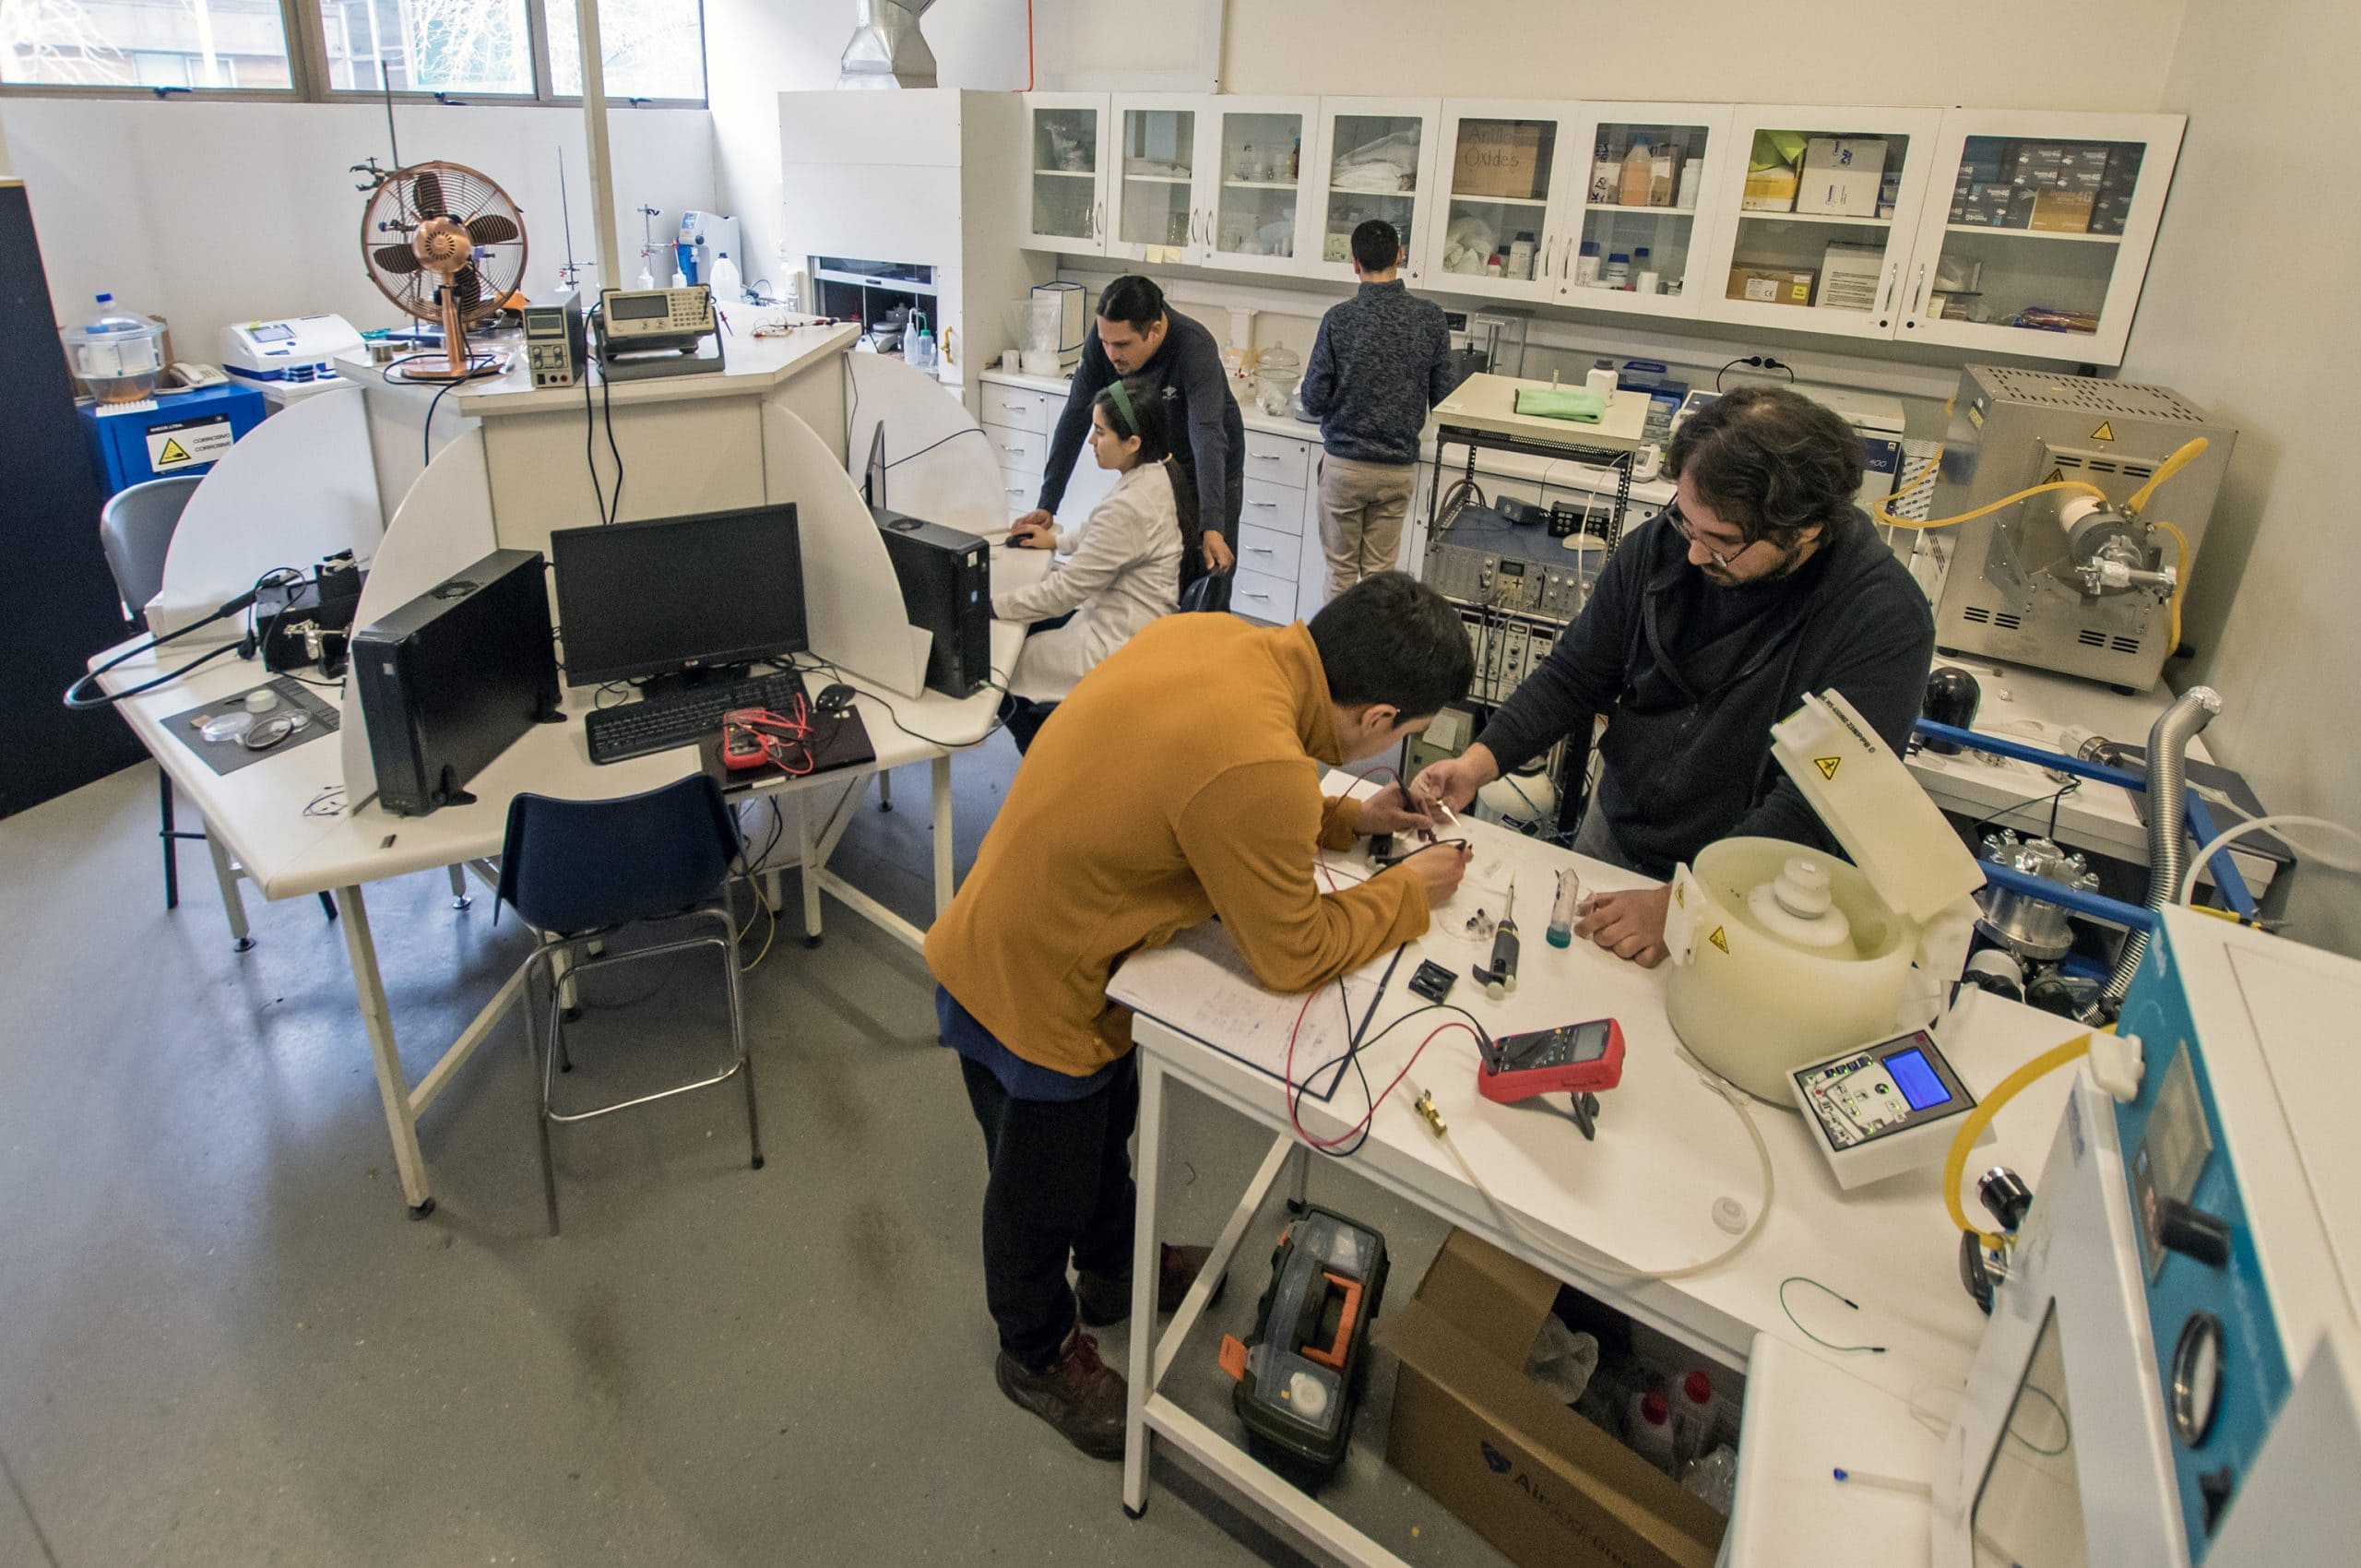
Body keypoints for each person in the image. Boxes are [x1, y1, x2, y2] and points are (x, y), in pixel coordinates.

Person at [925, 572, 1475, 1458]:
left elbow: (1233, 791)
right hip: (1028, 986)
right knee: (1041, 1188)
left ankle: (1110, 1274)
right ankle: (1032, 1350)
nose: (1393, 751)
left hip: (1055, 941)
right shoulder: (1258, 755)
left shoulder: (1227, 642)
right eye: (1402, 737)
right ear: (1378, 719)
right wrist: (1405, 892)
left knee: (1107, 1132)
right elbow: (1291, 948)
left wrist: (1349, 816)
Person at [1411, 385, 1937, 968]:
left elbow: (1815, 810)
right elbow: (1575, 675)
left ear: (1805, 529)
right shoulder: (1666, 545)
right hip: (1617, 829)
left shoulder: (1882, 622)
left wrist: (1684, 904)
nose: (1691, 554)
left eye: (1722, 543)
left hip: (1748, 894)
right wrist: (1476, 764)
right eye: (1687, 524)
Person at [1013, 276, 1243, 603]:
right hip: (1155, 463)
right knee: (1158, 578)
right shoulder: (1107, 336)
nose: (1110, 354)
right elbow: (1076, 415)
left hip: (1207, 465)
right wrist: (1048, 504)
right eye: (1105, 342)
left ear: (1156, 330)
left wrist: (1213, 525)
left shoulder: (1194, 346)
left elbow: (1207, 433)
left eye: (1121, 345)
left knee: (1206, 578)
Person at [994, 377, 1188, 753]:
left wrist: (994, 605)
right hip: (1130, 625)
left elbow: (1065, 593)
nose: (1090, 441)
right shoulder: (1153, 473)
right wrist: (1057, 541)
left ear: (1133, 443)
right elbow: (1104, 533)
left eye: (1100, 432)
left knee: (1003, 665)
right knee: (1027, 632)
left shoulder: (1131, 505)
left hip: (1115, 643)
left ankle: (1043, 757)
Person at [1299, 219, 1455, 600]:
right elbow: (1445, 397)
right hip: (1396, 470)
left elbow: (1313, 399)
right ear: (1400, 257)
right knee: (1379, 579)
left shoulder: (1339, 319)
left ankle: (1334, 658)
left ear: (1355, 264)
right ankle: (1372, 658)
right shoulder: (1431, 318)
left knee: (1339, 573)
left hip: (1345, 469)